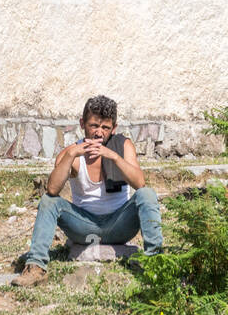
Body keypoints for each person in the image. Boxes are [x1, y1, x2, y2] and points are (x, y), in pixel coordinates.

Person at [12, 95, 163, 287]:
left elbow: (140, 183)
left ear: (114, 128)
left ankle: (155, 263)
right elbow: (52, 189)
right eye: (94, 126)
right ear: (83, 124)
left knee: (147, 194)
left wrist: (114, 157)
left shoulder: (123, 146)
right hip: (83, 227)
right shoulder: (72, 153)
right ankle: (35, 268)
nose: (99, 133)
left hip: (119, 226)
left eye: (105, 128)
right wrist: (73, 153)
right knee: (49, 201)